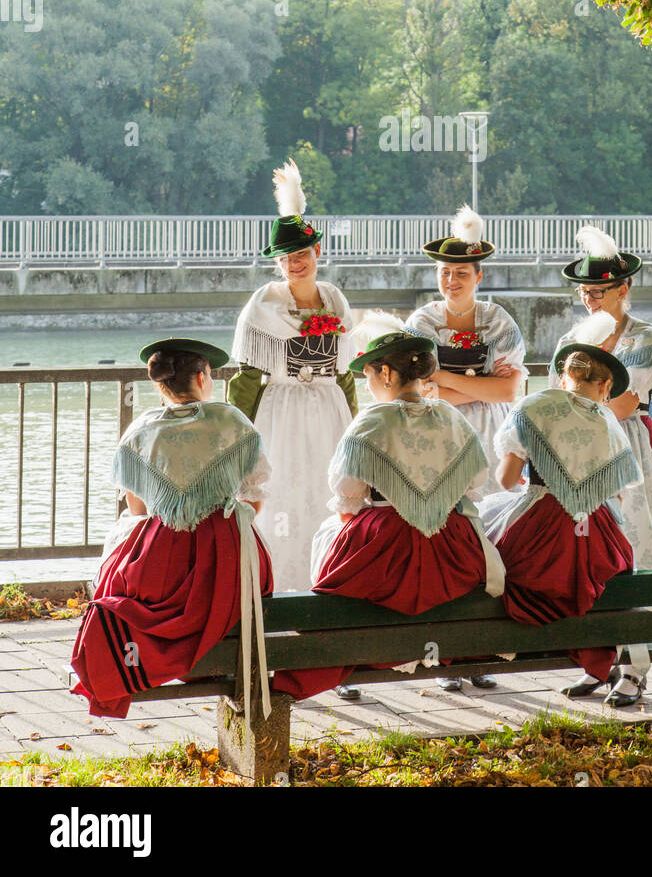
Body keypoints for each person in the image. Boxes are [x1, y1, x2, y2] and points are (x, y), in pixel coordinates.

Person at [272, 328, 505, 702]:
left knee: (328, 536)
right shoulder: (449, 416)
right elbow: (477, 479)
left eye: (368, 374)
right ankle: (458, 653)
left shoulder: (372, 420)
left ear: (385, 374)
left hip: (382, 549)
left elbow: (347, 490)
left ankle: (345, 662)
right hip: (450, 547)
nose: (368, 384)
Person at [70, 338, 273, 728]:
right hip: (227, 561)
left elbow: (138, 513)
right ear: (202, 376)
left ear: (160, 386)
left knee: (119, 568)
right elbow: (254, 498)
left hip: (163, 556)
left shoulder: (141, 431)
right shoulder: (232, 421)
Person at [551, 225, 652, 707]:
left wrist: (572, 415)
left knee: (633, 548)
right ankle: (598, 660)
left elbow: (622, 405)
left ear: (624, 289)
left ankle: (634, 666)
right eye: (584, 291)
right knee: (587, 551)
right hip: (582, 450)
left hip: (626, 450)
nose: (589, 299)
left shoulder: (644, 339)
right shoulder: (572, 337)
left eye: (598, 291)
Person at [407, 205, 526, 691]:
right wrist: (477, 380)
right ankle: (444, 652)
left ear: (479, 276)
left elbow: (509, 393)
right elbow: (419, 387)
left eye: (461, 273)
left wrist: (443, 377)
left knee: (490, 537)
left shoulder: (499, 320)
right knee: (444, 534)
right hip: (439, 434)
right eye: (444, 272)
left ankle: (482, 650)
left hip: (490, 434)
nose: (451, 280)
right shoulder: (422, 320)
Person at [479, 327, 638, 690]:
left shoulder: (533, 406)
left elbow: (505, 479)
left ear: (564, 377)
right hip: (593, 526)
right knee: (610, 570)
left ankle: (482, 656)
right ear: (605, 385)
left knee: (489, 553)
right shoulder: (606, 420)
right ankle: (598, 661)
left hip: (538, 523)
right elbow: (616, 494)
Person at [228, 160, 357, 594]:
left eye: (300, 254)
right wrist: (234, 436)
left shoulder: (336, 301)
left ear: (317, 253)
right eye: (286, 258)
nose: (294, 264)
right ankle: (277, 590)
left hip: (328, 410)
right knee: (281, 496)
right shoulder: (262, 306)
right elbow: (247, 378)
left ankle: (328, 585)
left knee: (330, 494)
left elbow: (346, 376)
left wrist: (357, 428)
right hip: (280, 412)